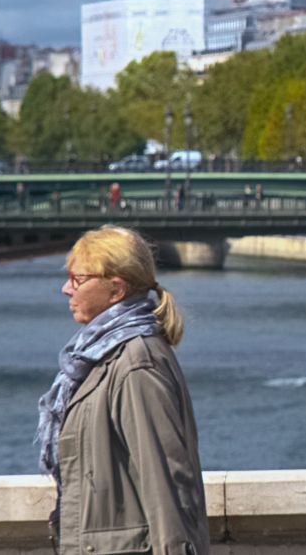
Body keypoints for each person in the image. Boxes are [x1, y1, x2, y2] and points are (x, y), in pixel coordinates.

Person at [36, 225, 209, 554]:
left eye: (78, 279)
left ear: (115, 290)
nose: (65, 289)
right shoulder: (101, 357)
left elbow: (167, 483)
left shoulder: (135, 365)